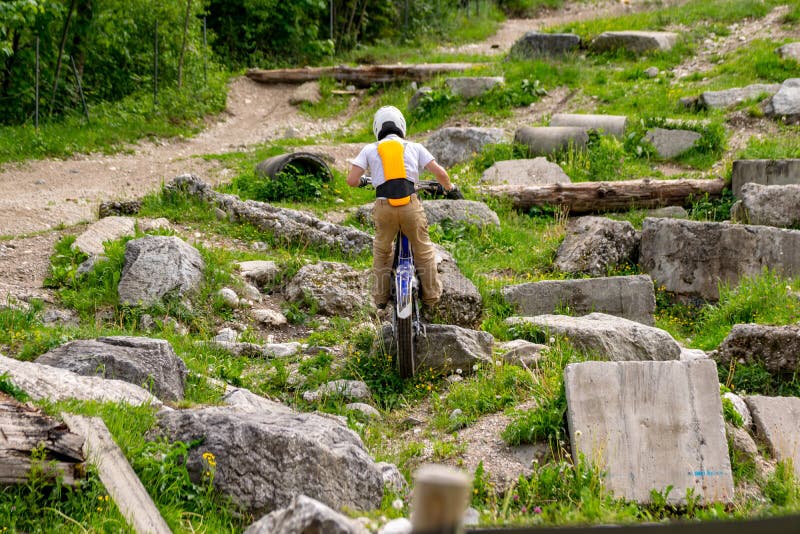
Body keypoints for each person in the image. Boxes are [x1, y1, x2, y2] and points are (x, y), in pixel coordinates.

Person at [346, 105, 462, 317]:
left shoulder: (370, 148)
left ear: (377, 128)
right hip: (409, 205)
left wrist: (364, 180)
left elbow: (351, 180)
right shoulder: (414, 147)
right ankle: (431, 298)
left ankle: (380, 300)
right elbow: (440, 173)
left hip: (384, 207)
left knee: (382, 250)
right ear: (401, 126)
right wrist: (450, 189)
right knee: (424, 249)